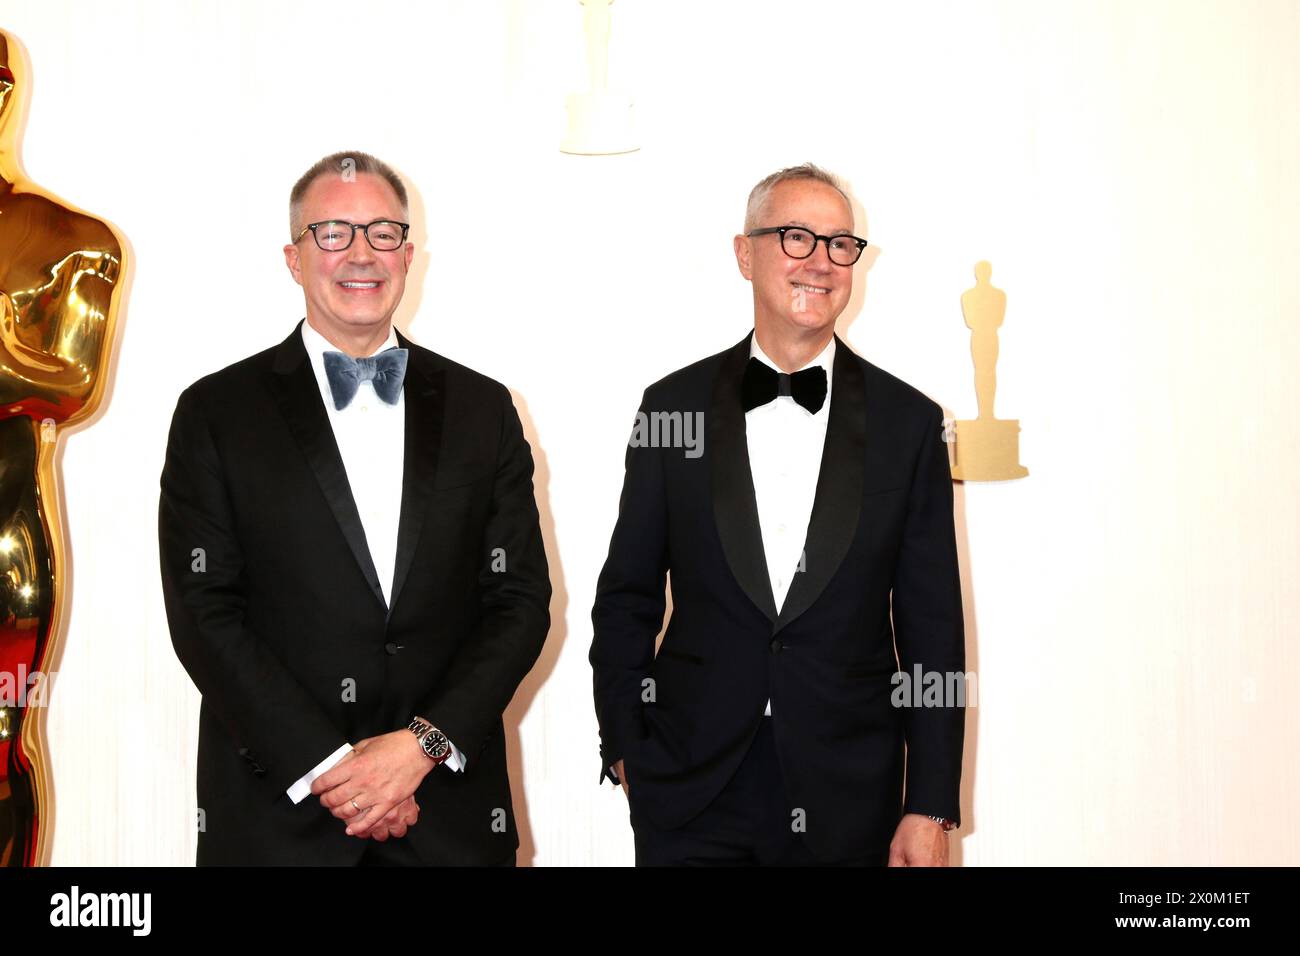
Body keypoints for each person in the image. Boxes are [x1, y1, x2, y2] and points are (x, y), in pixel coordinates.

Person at [159, 151, 550, 865]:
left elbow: (520, 603)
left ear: (409, 254)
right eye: (334, 232)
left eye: (382, 232)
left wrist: (421, 748)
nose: (361, 253)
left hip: (451, 818)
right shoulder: (216, 412)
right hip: (279, 819)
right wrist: (334, 771)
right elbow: (202, 609)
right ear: (293, 257)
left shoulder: (483, 409)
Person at [590, 163, 965, 866]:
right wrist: (626, 746)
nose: (820, 263)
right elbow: (627, 597)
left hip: (850, 797)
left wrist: (930, 804)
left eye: (839, 244)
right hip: (690, 791)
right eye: (796, 238)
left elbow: (932, 628)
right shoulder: (672, 409)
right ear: (744, 252)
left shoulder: (910, 425)